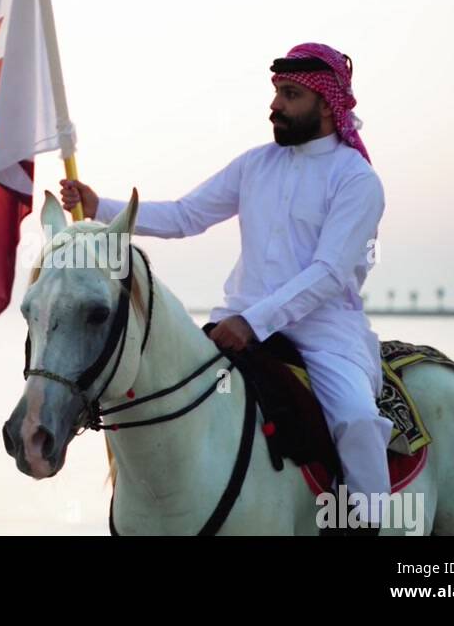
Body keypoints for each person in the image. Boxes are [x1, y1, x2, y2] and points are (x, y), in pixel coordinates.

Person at [60, 43, 393, 534]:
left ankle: (376, 526)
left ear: (327, 104)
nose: (275, 105)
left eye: (290, 94)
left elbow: (328, 273)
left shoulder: (357, 180)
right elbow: (185, 215)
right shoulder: (255, 165)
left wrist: (253, 321)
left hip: (325, 336)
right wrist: (100, 206)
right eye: (276, 92)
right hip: (236, 323)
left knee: (356, 421)